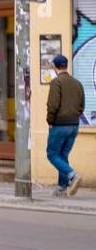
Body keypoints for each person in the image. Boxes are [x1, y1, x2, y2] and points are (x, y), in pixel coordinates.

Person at [45, 54, 85, 196]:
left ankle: (73, 175)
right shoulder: (77, 83)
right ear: (66, 66)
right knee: (62, 155)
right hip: (74, 125)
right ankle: (62, 186)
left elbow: (53, 105)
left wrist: (50, 121)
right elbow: (82, 107)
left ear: (55, 66)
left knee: (52, 154)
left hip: (60, 125)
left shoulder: (56, 82)